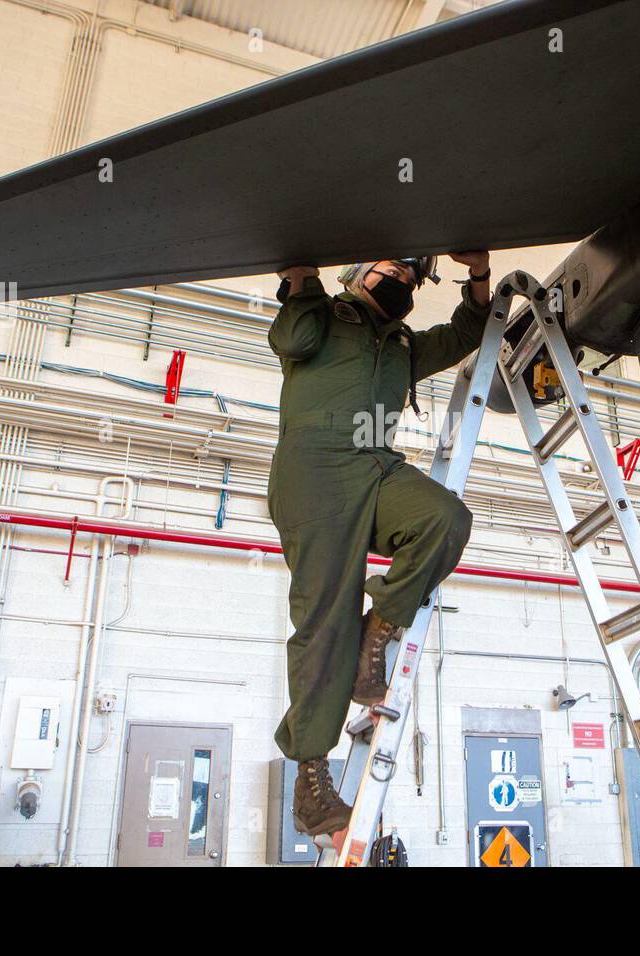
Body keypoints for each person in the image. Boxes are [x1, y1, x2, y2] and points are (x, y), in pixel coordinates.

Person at [268, 251, 492, 837]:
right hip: (314, 471)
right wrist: (301, 277)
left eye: (413, 277)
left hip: (375, 465)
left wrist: (479, 272)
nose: (403, 283)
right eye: (392, 271)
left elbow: (468, 331)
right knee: (324, 621)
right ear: (358, 271)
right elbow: (289, 338)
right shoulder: (323, 316)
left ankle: (379, 633)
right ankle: (312, 784)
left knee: (445, 520)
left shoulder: (402, 347)